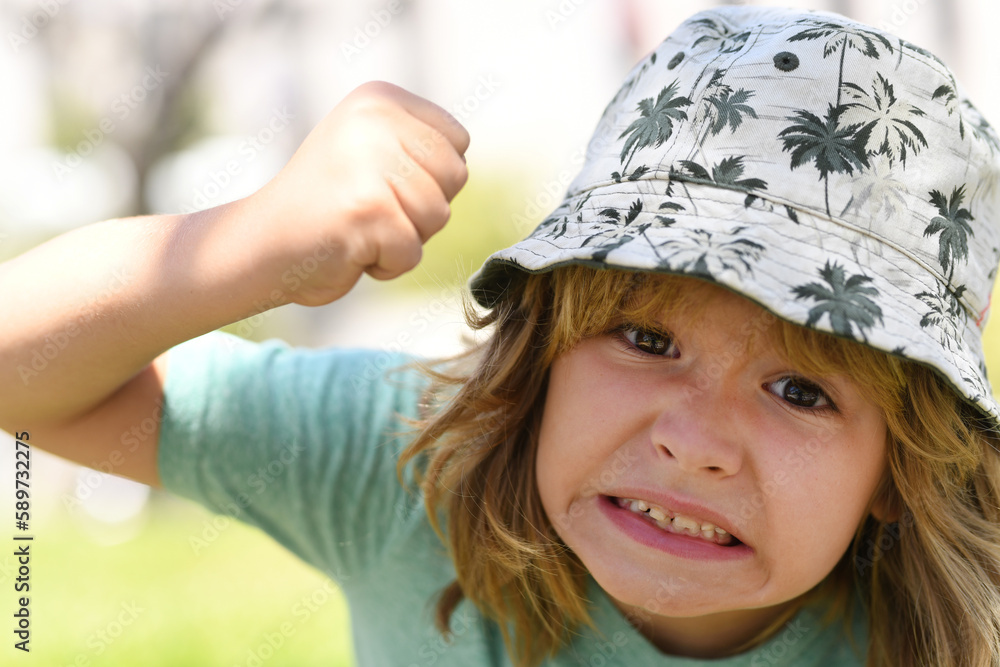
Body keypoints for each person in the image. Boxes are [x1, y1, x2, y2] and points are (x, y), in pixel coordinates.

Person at [4, 5, 1000, 666]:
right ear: (540, 358)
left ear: (896, 475)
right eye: (646, 342)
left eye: (801, 391)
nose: (691, 443)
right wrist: (253, 243)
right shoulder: (403, 466)